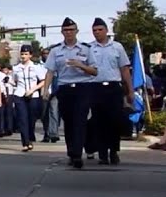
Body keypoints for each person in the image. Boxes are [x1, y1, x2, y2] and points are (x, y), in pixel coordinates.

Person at [45, 17, 97, 169]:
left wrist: (81, 65)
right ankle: (71, 152)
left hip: (83, 87)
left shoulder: (86, 49)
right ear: (62, 32)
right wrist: (45, 90)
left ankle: (77, 154)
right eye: (66, 30)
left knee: (80, 120)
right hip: (65, 88)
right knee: (69, 122)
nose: (69, 33)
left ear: (77, 31)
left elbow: (94, 71)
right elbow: (50, 71)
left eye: (71, 30)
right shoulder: (56, 51)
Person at [86, 17, 132, 166]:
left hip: (113, 87)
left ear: (106, 30)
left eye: (100, 30)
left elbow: (124, 69)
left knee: (114, 121)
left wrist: (130, 90)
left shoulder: (117, 47)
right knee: (98, 122)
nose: (97, 33)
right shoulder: (89, 48)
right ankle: (102, 153)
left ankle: (114, 151)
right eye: (94, 30)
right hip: (95, 87)